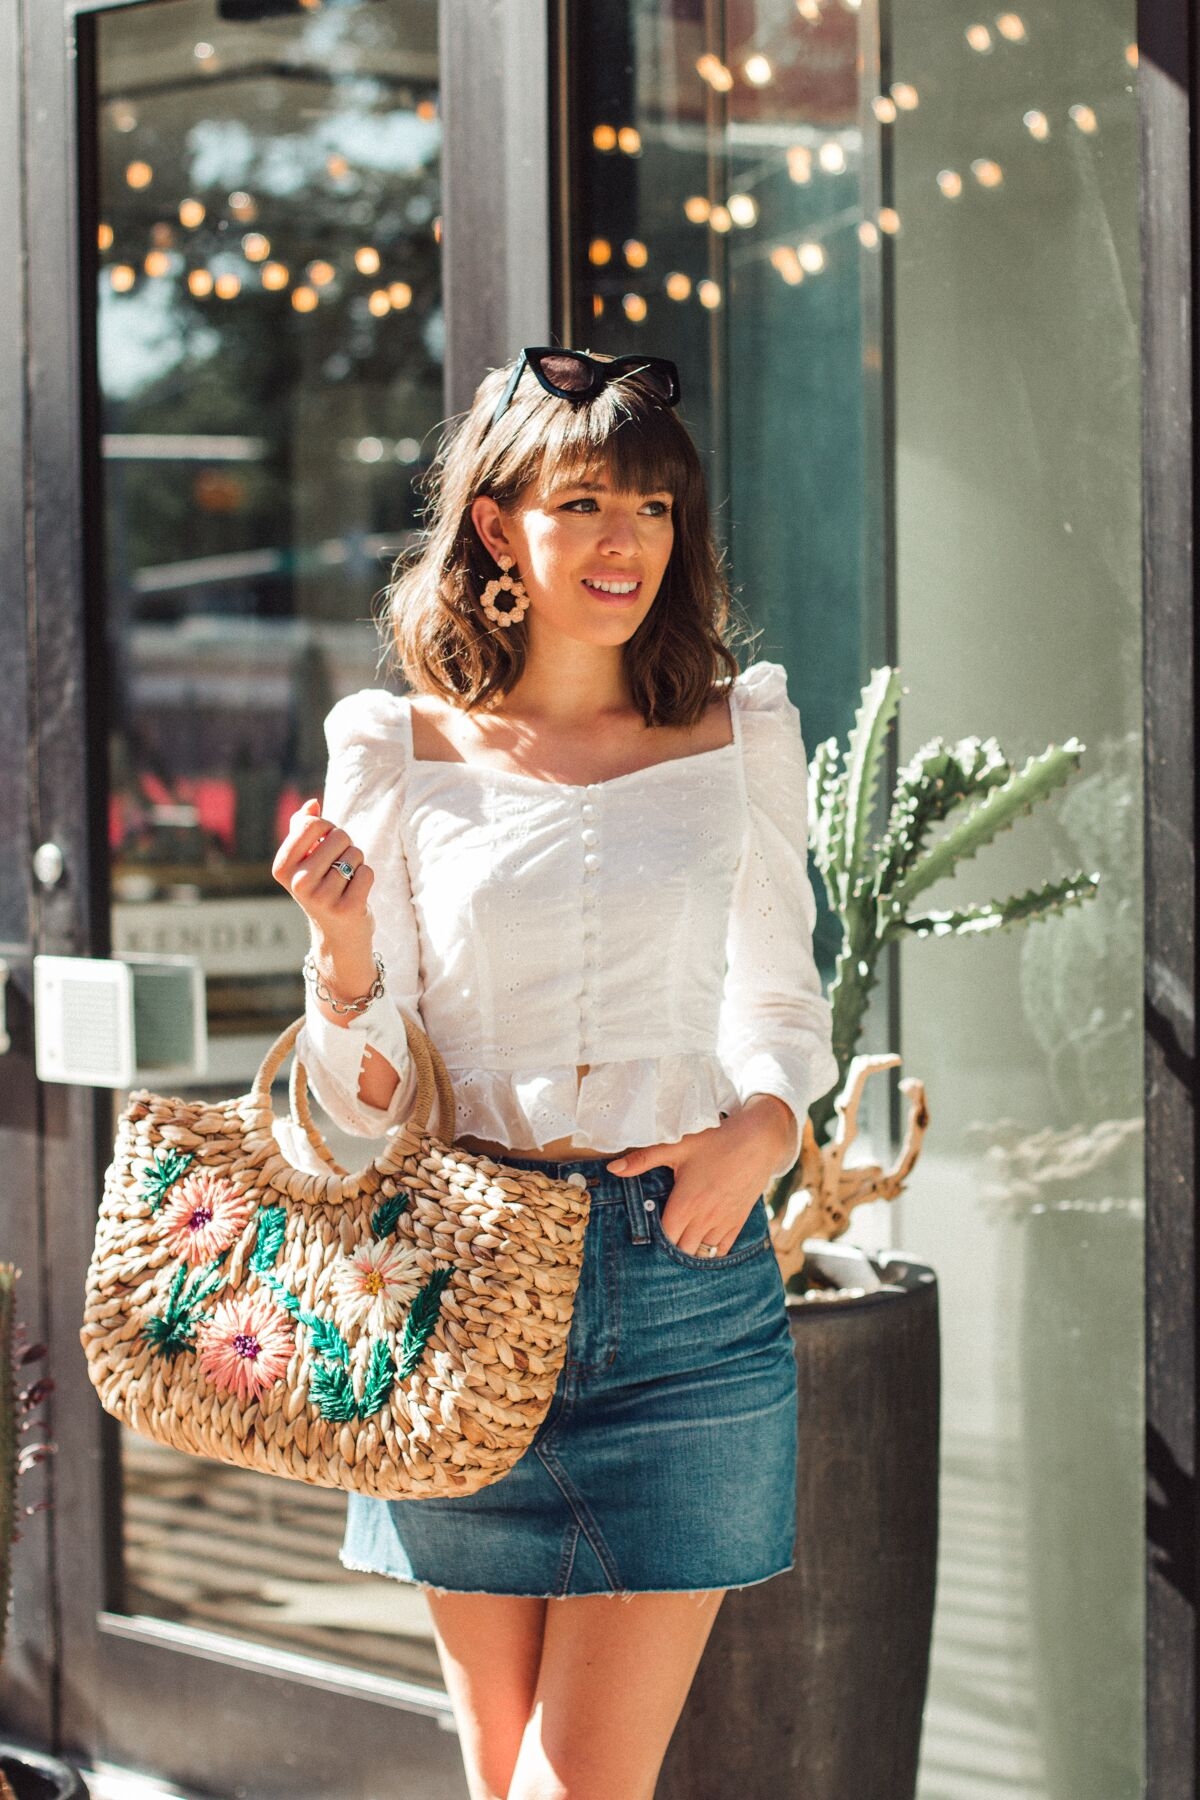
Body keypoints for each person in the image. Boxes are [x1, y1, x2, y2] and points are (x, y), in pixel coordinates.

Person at [271, 346, 839, 1800]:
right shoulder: (395, 751)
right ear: (494, 528)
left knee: (582, 1781)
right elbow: (361, 1102)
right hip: (461, 1282)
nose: (622, 542)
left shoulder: (736, 733)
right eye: (583, 502)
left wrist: (761, 1132)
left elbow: (780, 991)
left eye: (651, 508)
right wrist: (342, 957)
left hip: (683, 1294)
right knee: (503, 1770)